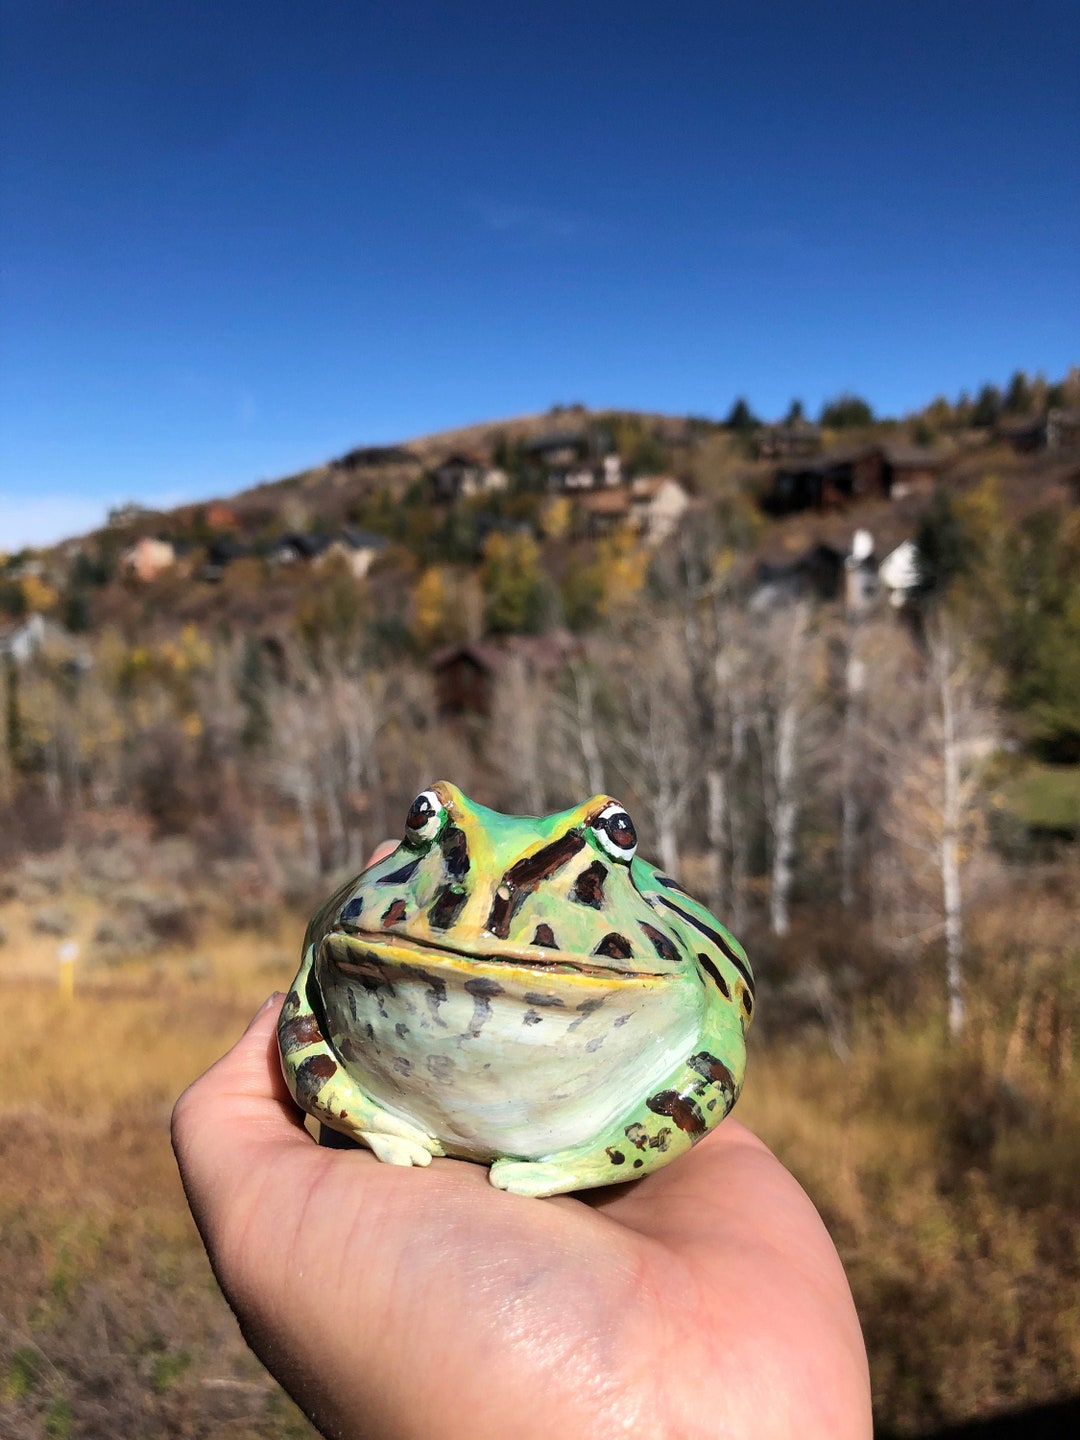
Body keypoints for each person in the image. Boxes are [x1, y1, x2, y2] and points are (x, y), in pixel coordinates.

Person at [173, 880, 872, 1439]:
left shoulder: (665, 938)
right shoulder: (377, 905)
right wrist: (353, 1110)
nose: (502, 897)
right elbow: (309, 987)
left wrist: (601, 1158)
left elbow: (722, 1030)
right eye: (425, 827)